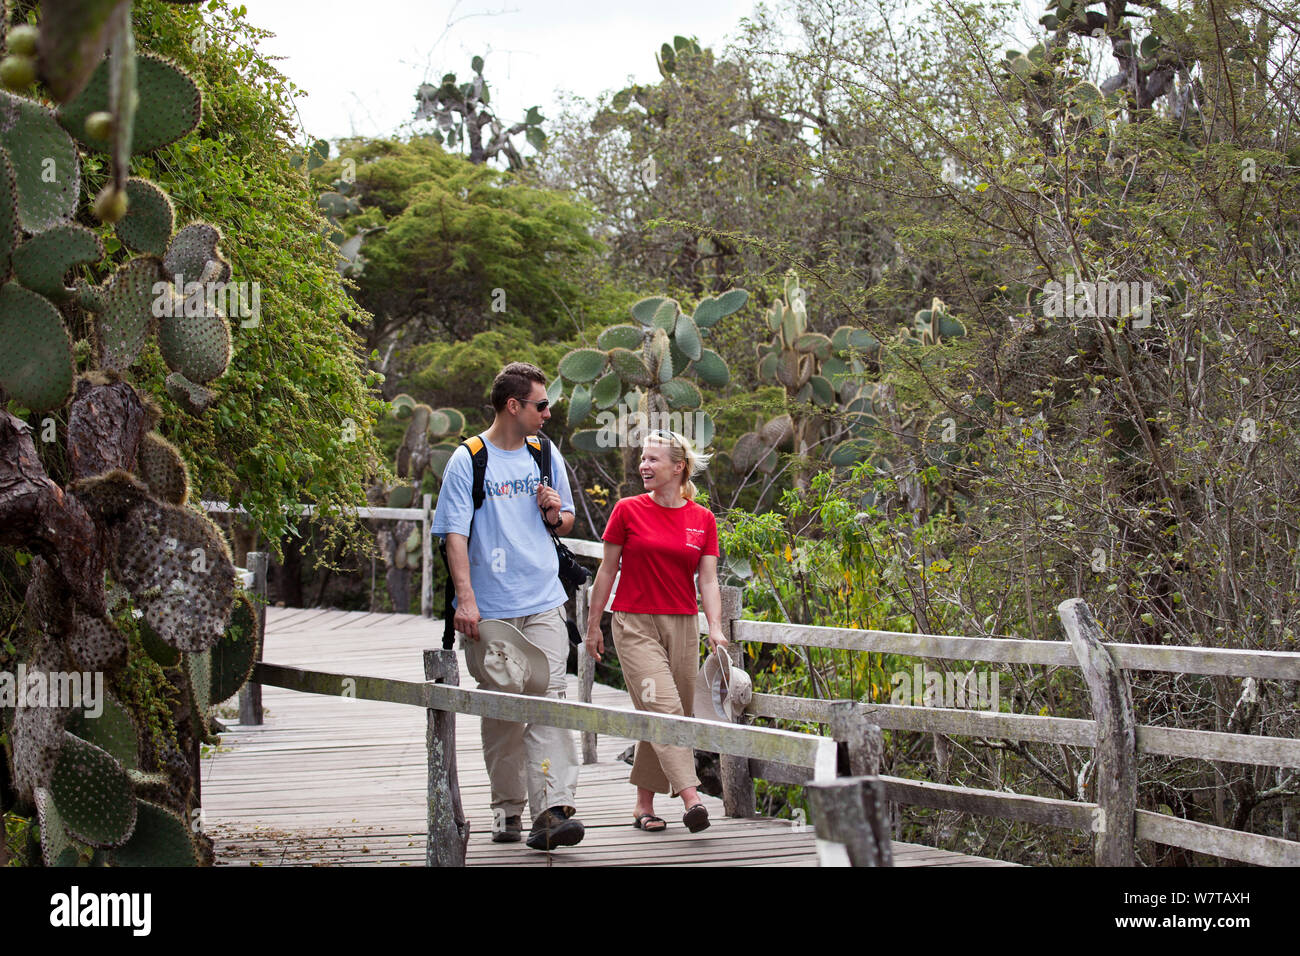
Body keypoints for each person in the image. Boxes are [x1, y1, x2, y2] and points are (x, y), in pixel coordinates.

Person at [432, 362, 585, 851]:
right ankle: (508, 808)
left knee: (550, 698)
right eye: (541, 405)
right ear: (513, 406)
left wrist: (552, 512)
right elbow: (453, 534)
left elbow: (566, 519)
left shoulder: (544, 451)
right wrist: (466, 601)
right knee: (502, 709)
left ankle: (553, 809)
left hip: (542, 598)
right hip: (491, 609)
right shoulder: (469, 459)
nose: (547, 413)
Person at [584, 429, 725, 834]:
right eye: (642, 459)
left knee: (664, 713)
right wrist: (594, 627)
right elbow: (606, 571)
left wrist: (714, 628)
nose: (643, 466)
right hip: (634, 622)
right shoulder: (627, 510)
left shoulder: (702, 519)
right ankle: (691, 797)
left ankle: (643, 805)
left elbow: (709, 581)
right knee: (665, 709)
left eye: (652, 460)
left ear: (678, 468)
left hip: (683, 624)